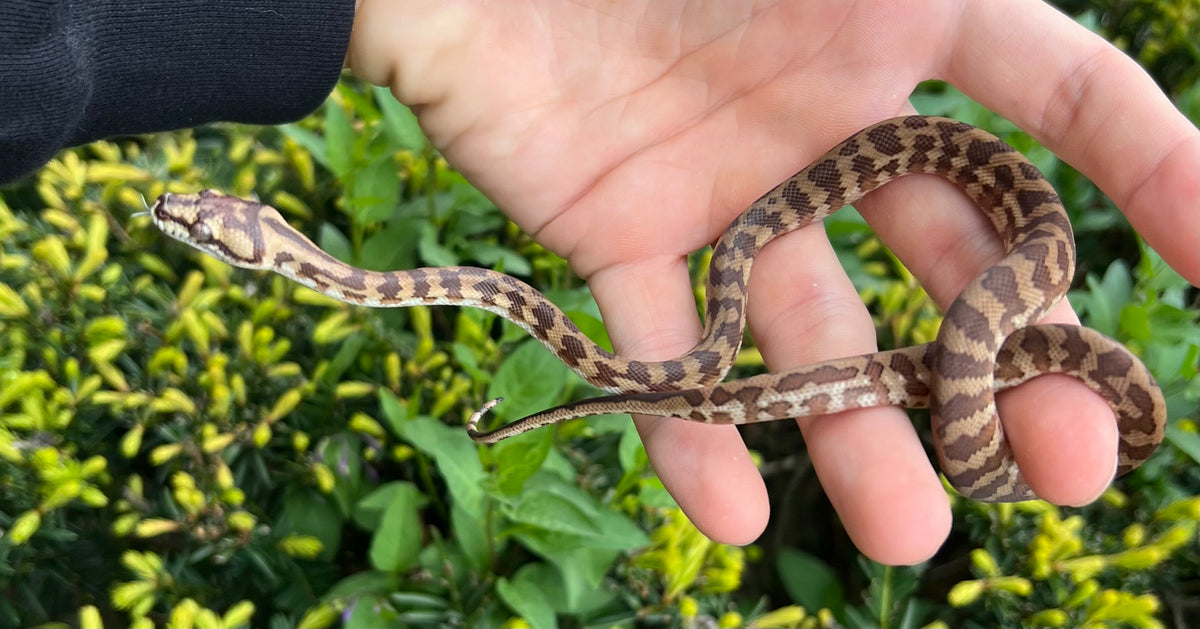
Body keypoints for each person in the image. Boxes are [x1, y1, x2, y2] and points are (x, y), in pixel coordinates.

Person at [4, 1, 1197, 565]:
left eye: (208, 224)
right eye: (208, 228)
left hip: (976, 296)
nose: (200, 225)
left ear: (258, 233)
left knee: (776, 358)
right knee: (708, 361)